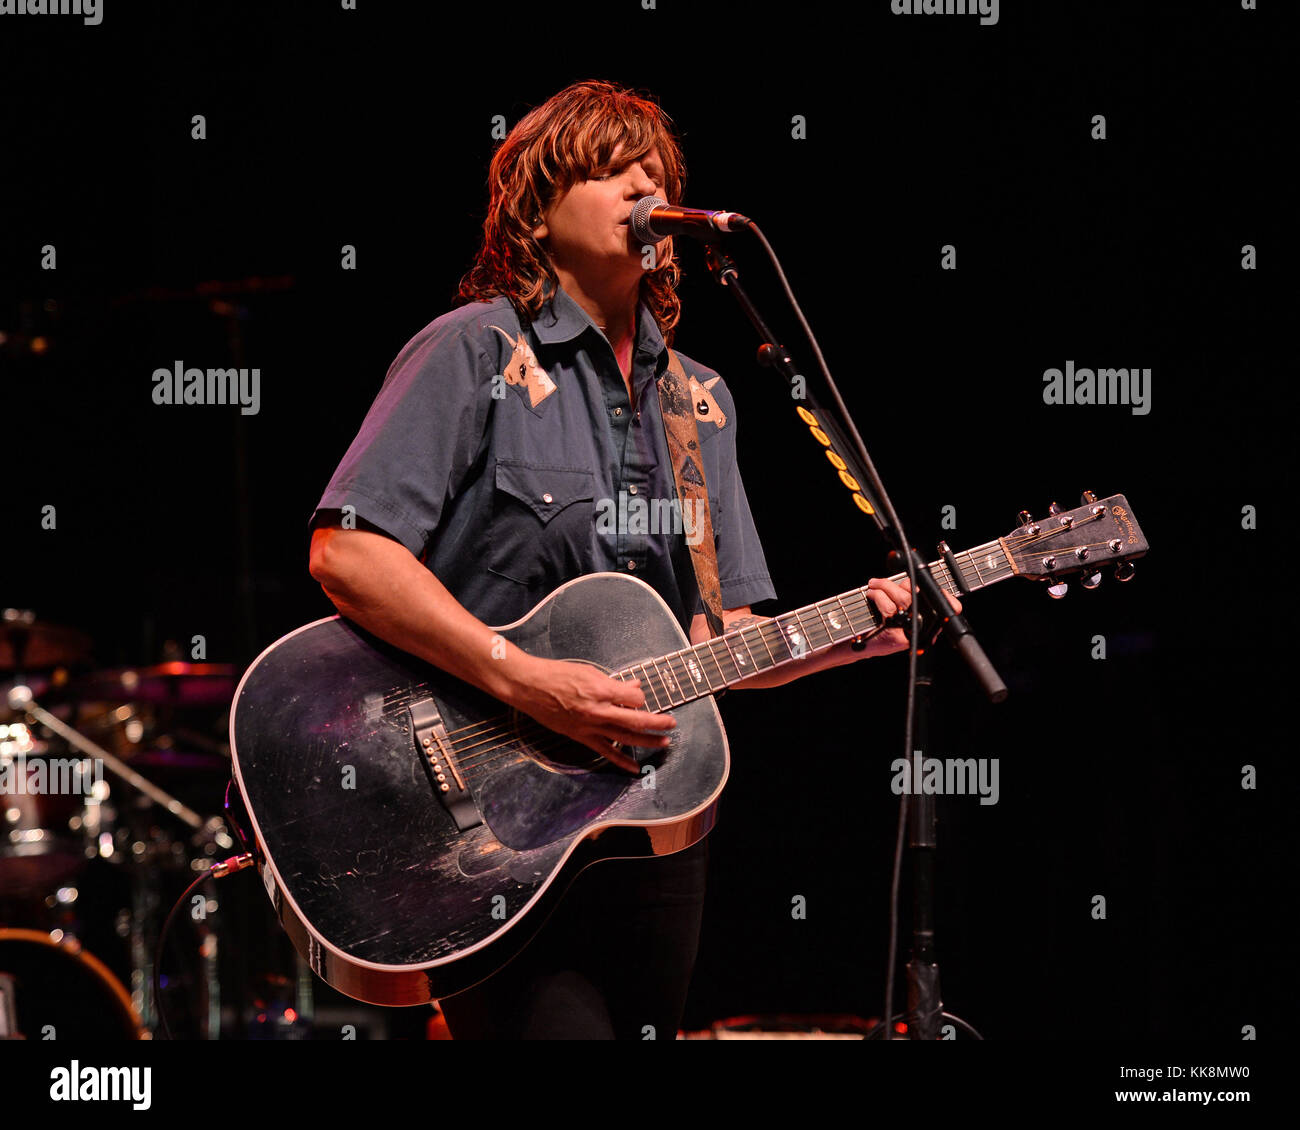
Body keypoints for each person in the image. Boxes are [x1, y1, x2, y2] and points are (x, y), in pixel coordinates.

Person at [306, 79, 955, 1039]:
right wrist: (523, 679)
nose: (644, 185)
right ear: (537, 205)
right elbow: (346, 554)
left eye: (657, 171)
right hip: (485, 815)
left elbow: (723, 636)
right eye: (613, 169)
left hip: (649, 819)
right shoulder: (474, 351)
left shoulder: (702, 402)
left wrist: (871, 633)